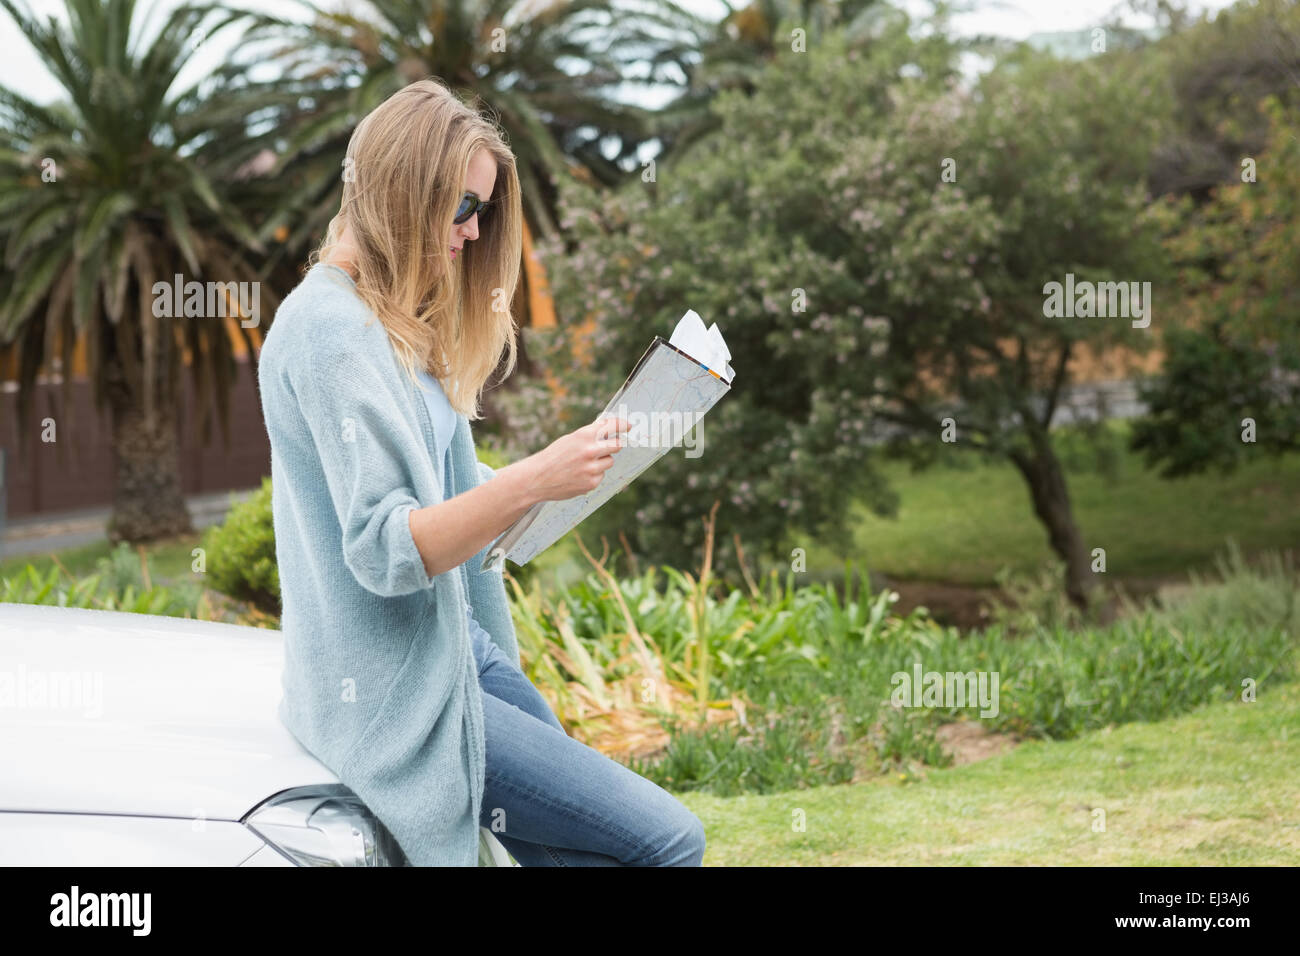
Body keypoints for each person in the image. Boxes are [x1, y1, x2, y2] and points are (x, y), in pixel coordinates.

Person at [257, 77, 706, 866]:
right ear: (402, 190)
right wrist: (532, 480)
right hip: (403, 691)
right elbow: (386, 548)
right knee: (668, 840)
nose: (471, 232)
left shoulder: (384, 321)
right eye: (463, 207)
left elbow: (445, 486)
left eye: (483, 213)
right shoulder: (331, 332)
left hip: (460, 655)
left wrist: (574, 474)